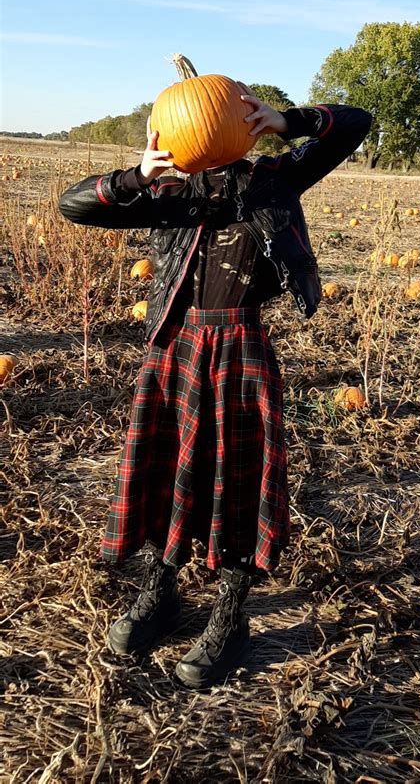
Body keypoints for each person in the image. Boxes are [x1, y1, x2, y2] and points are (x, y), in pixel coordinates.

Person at [59, 90, 372, 690]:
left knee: (237, 477)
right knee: (162, 471)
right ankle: (162, 589)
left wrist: (289, 122)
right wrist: (137, 174)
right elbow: (75, 205)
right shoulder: (169, 193)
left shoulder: (274, 180)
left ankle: (232, 617)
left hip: (240, 345)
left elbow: (355, 124)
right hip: (173, 345)